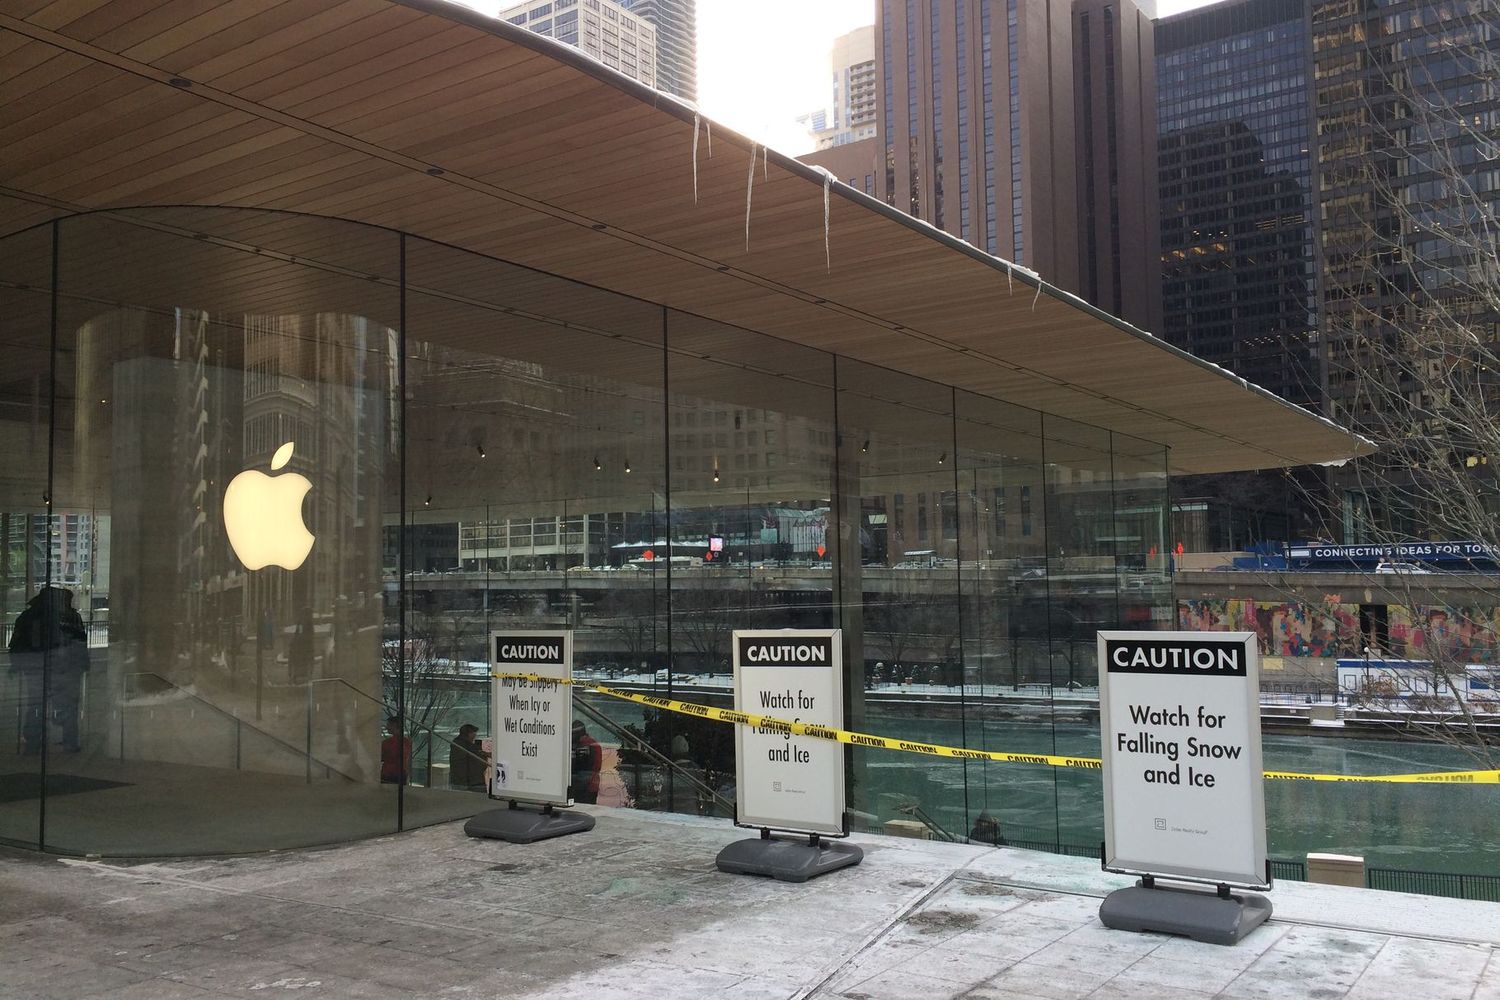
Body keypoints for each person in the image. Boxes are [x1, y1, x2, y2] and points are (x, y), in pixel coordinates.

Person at [7, 586, 87, 754]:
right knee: (66, 705)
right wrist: (82, 665)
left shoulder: (28, 617)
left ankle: (33, 743)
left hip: (37, 668)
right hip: (63, 668)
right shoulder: (71, 616)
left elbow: (17, 644)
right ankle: (69, 741)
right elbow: (79, 644)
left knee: (36, 704)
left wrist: (16, 664)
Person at [449, 723, 489, 792]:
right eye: (474, 733)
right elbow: (478, 761)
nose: (475, 735)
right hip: (470, 782)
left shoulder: (457, 743)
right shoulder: (466, 746)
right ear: (469, 734)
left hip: (458, 780)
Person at [571, 719, 602, 804]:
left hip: (585, 786)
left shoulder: (588, 745)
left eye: (573, 734)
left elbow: (593, 768)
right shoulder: (594, 744)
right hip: (591, 785)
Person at [380, 715, 411, 784]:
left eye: (388, 725)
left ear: (394, 725)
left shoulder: (387, 743)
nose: (387, 727)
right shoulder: (407, 742)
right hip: (402, 774)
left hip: (388, 774)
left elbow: (380, 757)